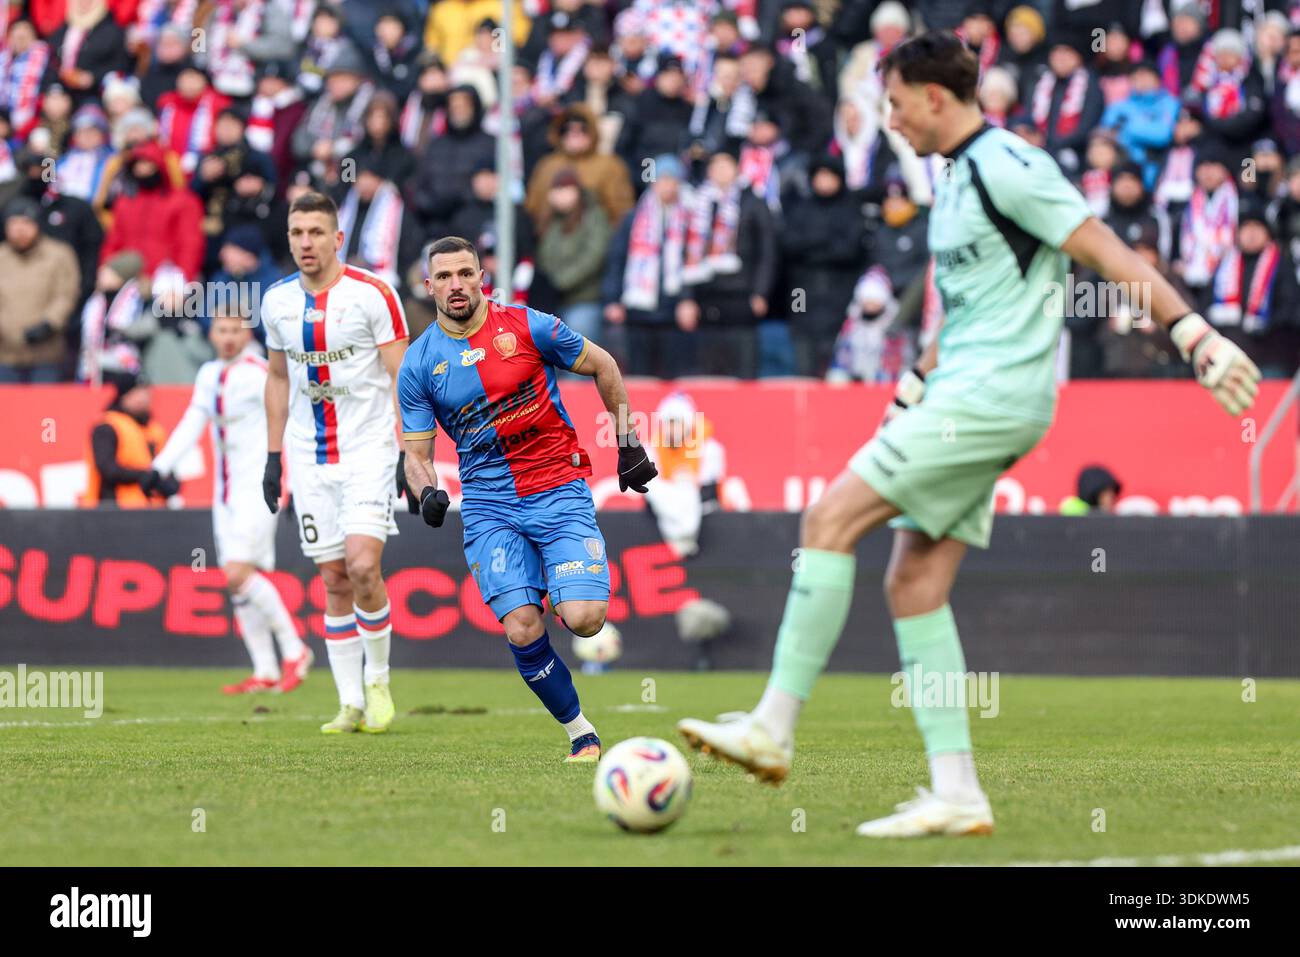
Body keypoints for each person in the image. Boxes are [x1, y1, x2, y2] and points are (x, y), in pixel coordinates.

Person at [676, 33, 1261, 838]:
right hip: (960, 393)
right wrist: (912, 391)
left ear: (936, 97)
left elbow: (1103, 248)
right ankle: (957, 791)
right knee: (914, 582)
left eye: (896, 101)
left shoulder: (1009, 165)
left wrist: (1195, 334)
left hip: (994, 397)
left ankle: (772, 727)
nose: (891, 119)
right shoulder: (950, 183)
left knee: (827, 521)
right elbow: (963, 309)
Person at [398, 235, 658, 763]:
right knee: (521, 625)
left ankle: (573, 591)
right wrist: (425, 491)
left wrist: (628, 442)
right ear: (429, 287)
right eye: (444, 277)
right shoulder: (419, 364)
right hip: (491, 506)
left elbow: (604, 365)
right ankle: (581, 733)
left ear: (481, 276)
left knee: (584, 618)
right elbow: (415, 454)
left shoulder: (527, 326)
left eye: (464, 273)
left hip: (558, 487)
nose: (455, 285)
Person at [260, 191, 410, 735]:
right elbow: (278, 379)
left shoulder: (373, 294)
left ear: (337, 238)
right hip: (307, 453)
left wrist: (409, 451)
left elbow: (403, 376)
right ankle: (349, 702)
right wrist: (274, 458)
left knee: (364, 565)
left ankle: (379, 679)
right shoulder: (275, 302)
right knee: (334, 578)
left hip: (369, 448)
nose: (306, 243)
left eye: (316, 232)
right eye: (297, 233)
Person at [150, 311, 313, 695]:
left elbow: (288, 424)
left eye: (234, 330)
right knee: (236, 583)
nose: (227, 338)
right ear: (211, 334)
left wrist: (294, 482)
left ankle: (295, 649)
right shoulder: (209, 373)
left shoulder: (260, 372)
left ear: (247, 334)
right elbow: (194, 418)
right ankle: (265, 671)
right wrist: (160, 466)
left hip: (257, 487)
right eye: (221, 330)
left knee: (239, 573)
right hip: (224, 493)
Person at [0, 197, 81, 383]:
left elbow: (66, 294)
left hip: (46, 354)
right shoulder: (1, 257)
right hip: (5, 353)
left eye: (26, 224)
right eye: (14, 225)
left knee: (44, 410)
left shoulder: (59, 254)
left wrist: (49, 324)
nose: (20, 231)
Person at [81, 371, 178, 507]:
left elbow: (171, 474)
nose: (144, 398)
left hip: (152, 512)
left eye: (146, 392)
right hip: (115, 510)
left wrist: (165, 484)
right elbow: (108, 469)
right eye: (137, 392)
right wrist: (144, 475)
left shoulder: (155, 430)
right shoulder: (108, 426)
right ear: (124, 395)